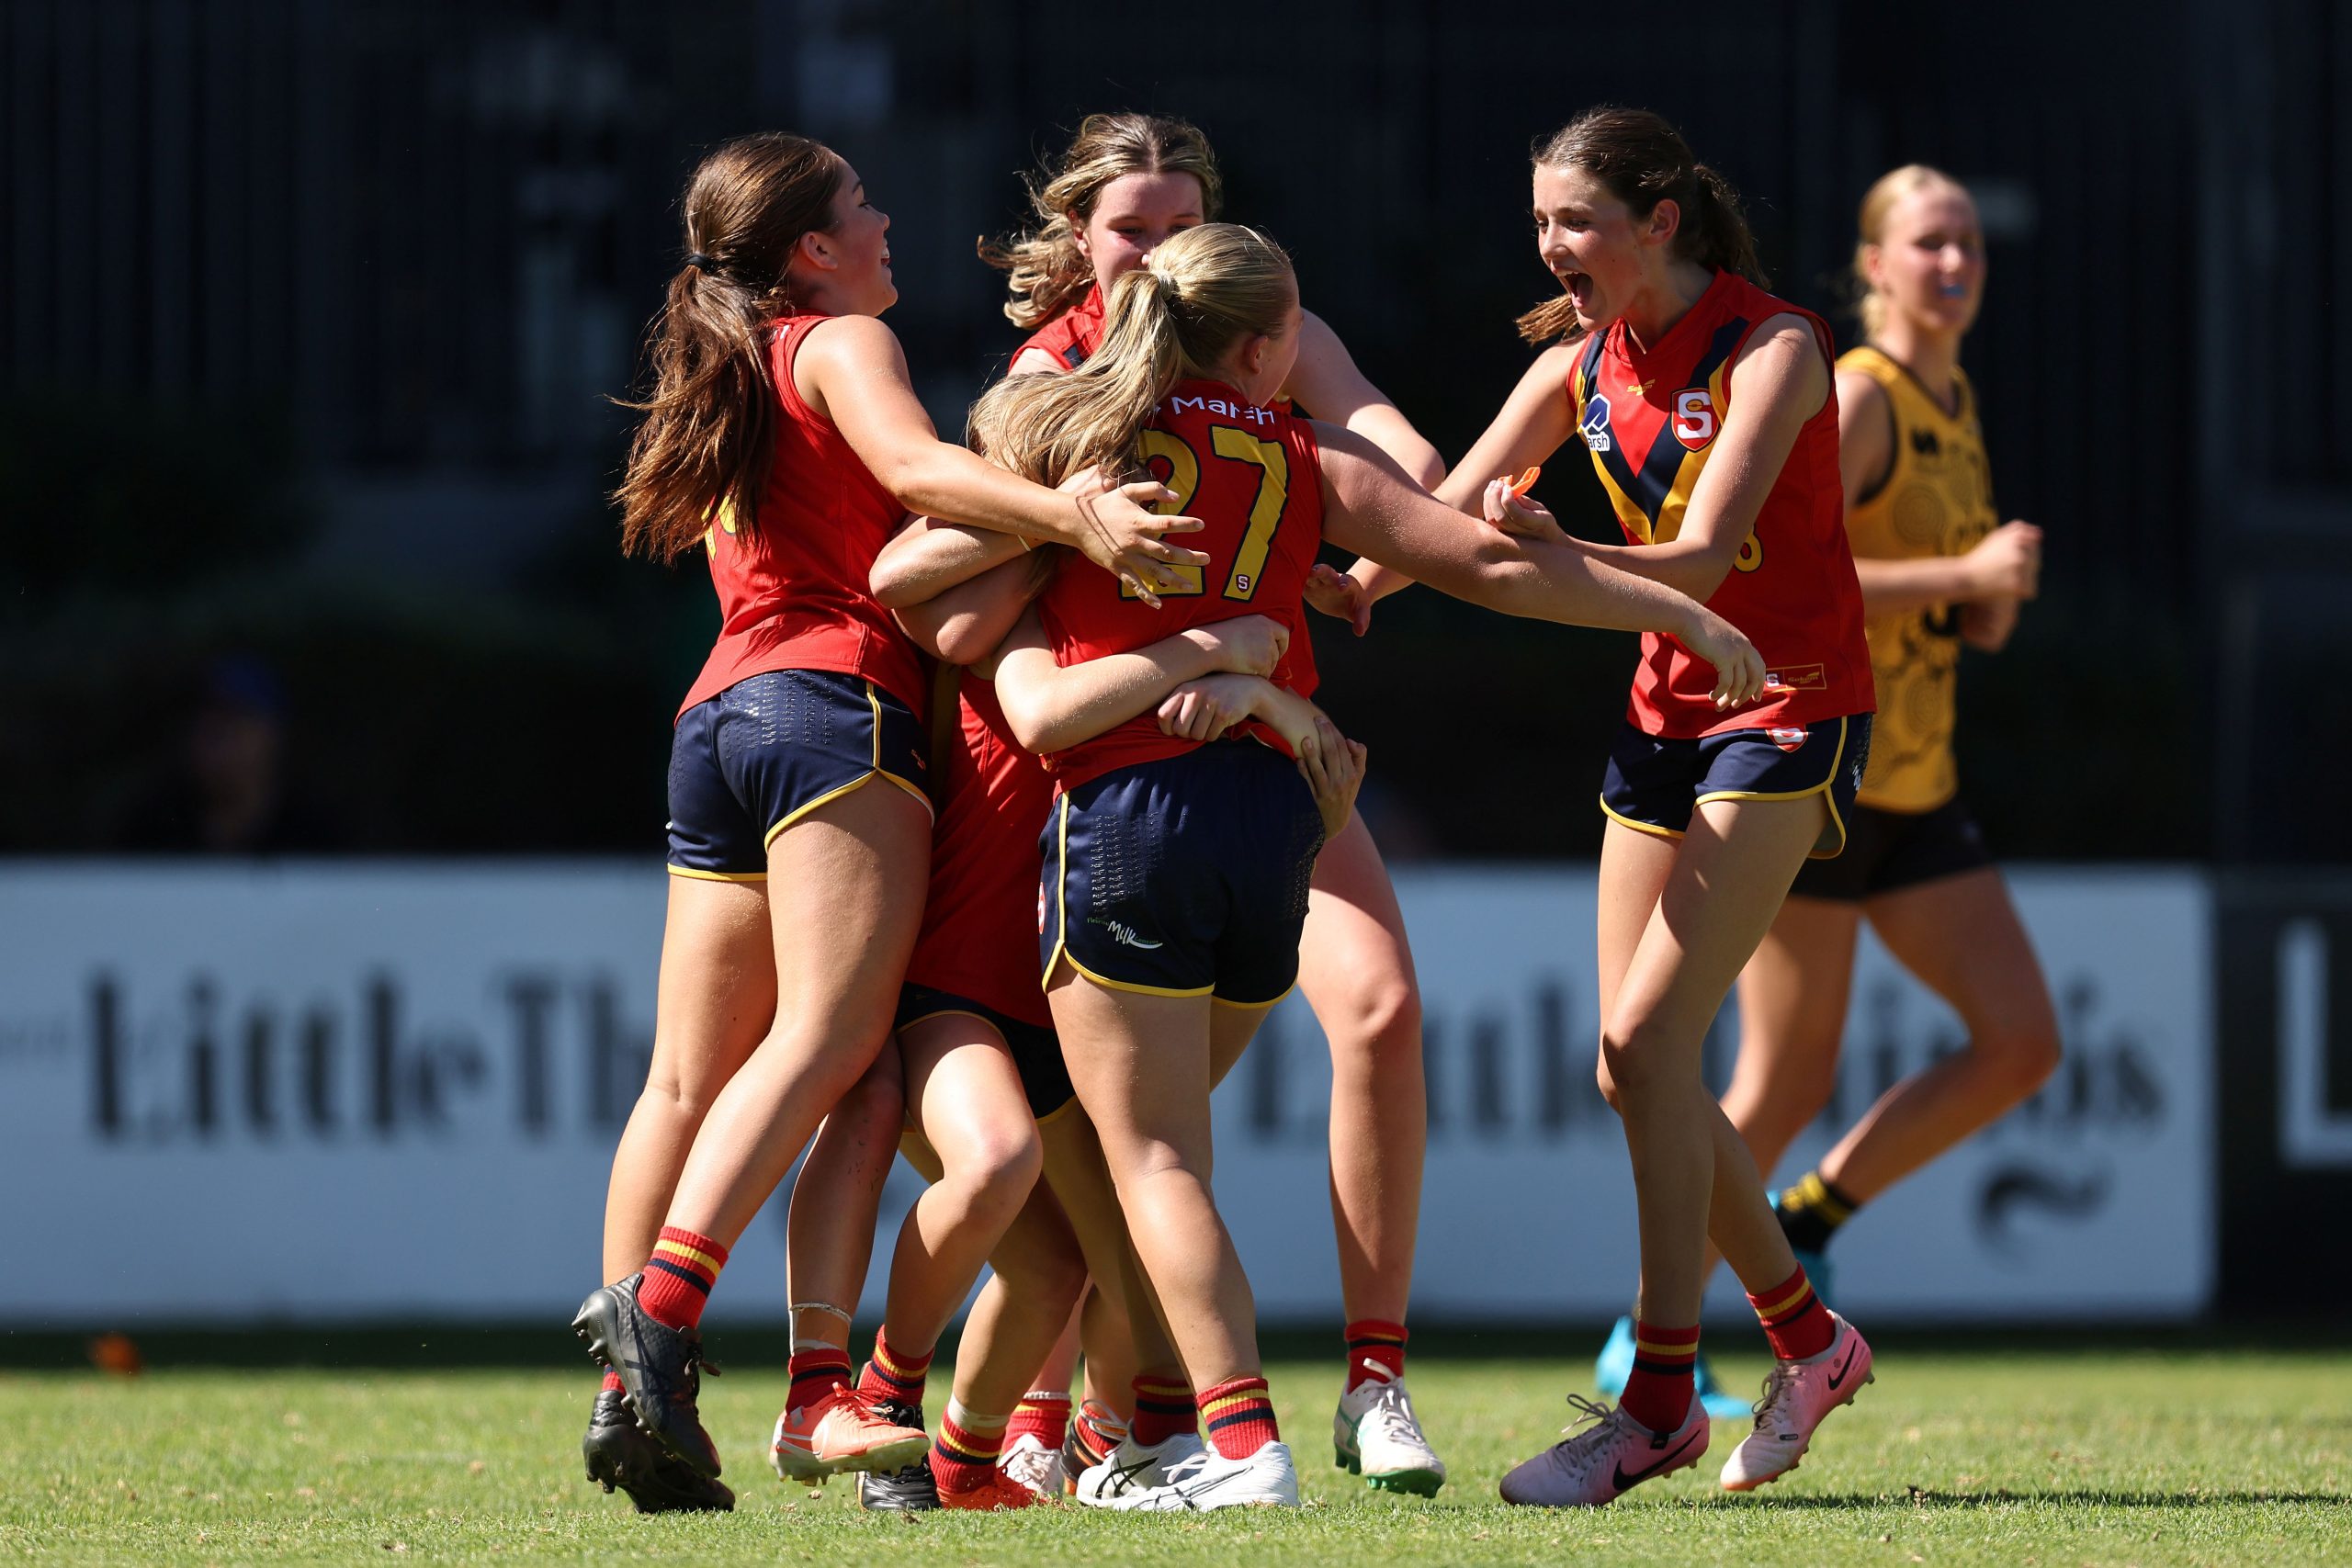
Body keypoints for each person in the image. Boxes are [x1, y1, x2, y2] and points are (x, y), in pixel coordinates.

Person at [969, 219, 1767, 1510]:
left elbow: (923, 568)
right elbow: (1496, 565)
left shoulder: (1064, 438)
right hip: (1280, 824)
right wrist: (1676, 606)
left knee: (1152, 1159)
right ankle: (1147, 1426)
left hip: (1128, 815)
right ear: (1273, 343)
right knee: (1158, 1149)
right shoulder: (1301, 452)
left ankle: (1230, 1445)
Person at [568, 130, 1208, 1506]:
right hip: (831, 712)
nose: (887, 221)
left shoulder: (727, 351)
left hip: (717, 715)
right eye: (861, 207)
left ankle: (636, 1385)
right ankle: (675, 1321)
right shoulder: (838, 336)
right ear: (810, 248)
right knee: (834, 1043)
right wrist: (1070, 512)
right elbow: (917, 477)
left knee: (690, 1073)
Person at [1355, 107, 1879, 1506]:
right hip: (1662, 716)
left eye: (1574, 221)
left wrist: (1544, 544)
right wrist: (1343, 583)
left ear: (1660, 218)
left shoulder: (1776, 345)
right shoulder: (1572, 365)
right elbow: (1448, 517)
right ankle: (1810, 1339)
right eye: (1540, 224)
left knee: (1651, 1040)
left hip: (1786, 702)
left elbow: (1701, 559)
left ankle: (1657, 1397)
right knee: (1626, 1064)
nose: (1550, 247)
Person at [979, 108, 1453, 1498]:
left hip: (1263, 769)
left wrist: (1407, 543)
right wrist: (1175, 623)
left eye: (1179, 222)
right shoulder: (1052, 383)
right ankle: (1073, 1409)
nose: (1155, 249)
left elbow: (1402, 471)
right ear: (1078, 237)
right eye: (1130, 225)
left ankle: (1366, 1387)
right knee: (1117, 1148)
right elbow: (939, 583)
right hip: (1113, 770)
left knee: (1362, 1020)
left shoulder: (1252, 321)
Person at [1718, 164, 2060, 1294]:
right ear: (1875, 266)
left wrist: (1984, 598)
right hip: (1822, 784)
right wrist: (1964, 569)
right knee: (1780, 1082)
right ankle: (1646, 1328)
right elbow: (1791, 582)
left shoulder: (1952, 407)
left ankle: (1808, 1218)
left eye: (1967, 242)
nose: (1953, 264)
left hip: (1917, 788)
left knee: (2022, 1043)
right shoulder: (1861, 394)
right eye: (1928, 244)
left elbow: (1951, 616)